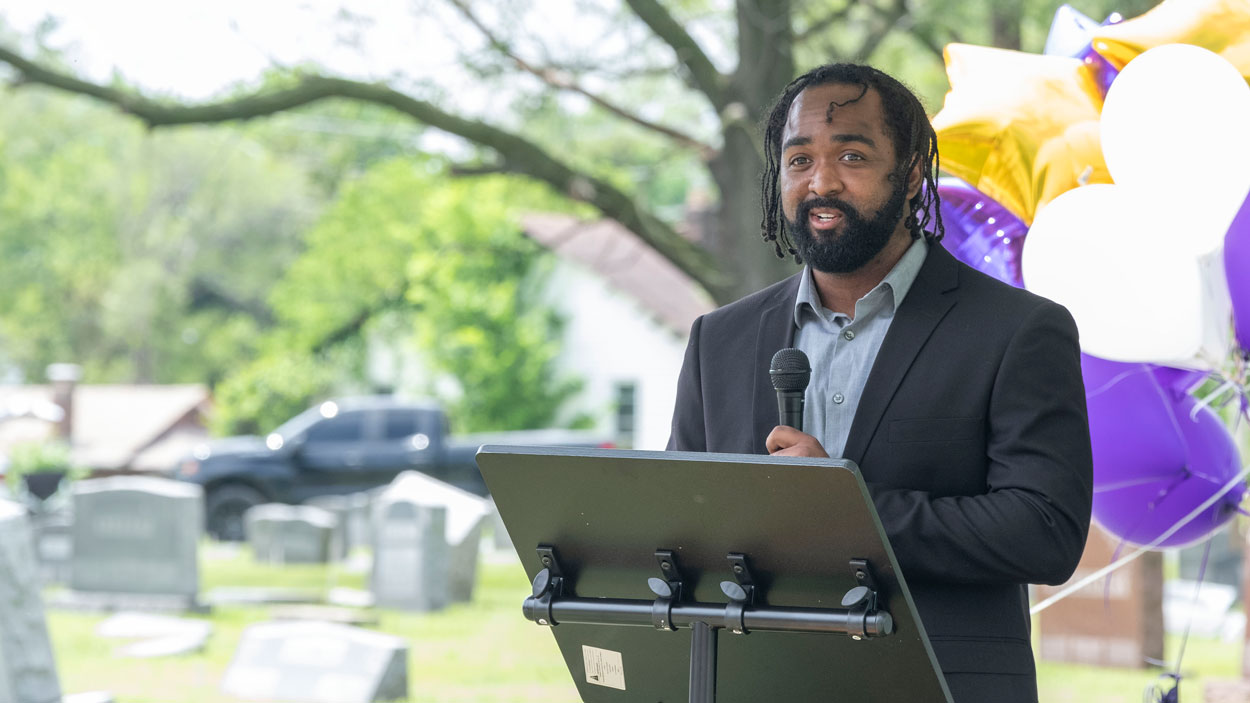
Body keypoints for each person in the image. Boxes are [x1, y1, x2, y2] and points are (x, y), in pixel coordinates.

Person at [667, 63, 1093, 702]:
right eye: (800, 159)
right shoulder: (718, 341)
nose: (822, 182)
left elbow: (1044, 531)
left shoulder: (1019, 331)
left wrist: (843, 507)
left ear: (913, 172)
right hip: (757, 682)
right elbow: (683, 525)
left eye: (853, 155)